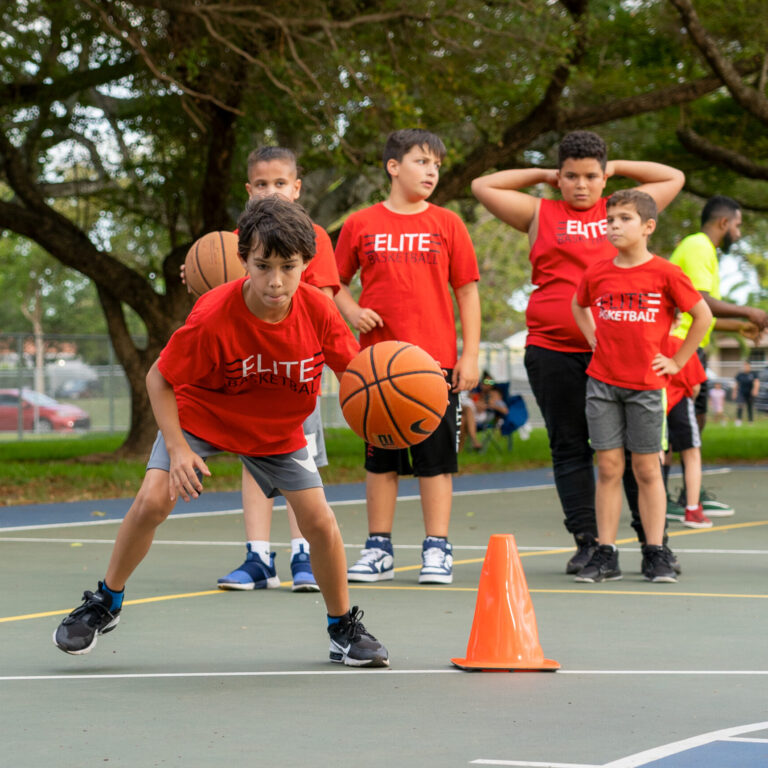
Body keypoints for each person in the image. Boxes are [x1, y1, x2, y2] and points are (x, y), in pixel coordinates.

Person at [53, 197, 389, 668]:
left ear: (306, 264)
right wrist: (176, 447)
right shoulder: (214, 315)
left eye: (288, 267)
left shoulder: (318, 311)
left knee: (321, 524)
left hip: (276, 430)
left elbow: (358, 375)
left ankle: (341, 629)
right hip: (203, 416)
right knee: (152, 500)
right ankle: (106, 601)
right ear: (243, 261)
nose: (275, 281)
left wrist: (387, 408)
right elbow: (158, 378)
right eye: (262, 265)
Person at [471, 130, 685, 574]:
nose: (581, 184)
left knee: (635, 453)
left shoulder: (624, 211)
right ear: (559, 177)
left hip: (620, 356)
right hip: (553, 349)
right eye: (571, 176)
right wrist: (543, 176)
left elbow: (674, 176)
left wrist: (617, 169)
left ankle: (653, 542)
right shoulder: (540, 211)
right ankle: (590, 543)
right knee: (570, 447)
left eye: (591, 175)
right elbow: (482, 186)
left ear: (604, 178)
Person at [189, 146, 341, 593]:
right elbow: (220, 297)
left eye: (280, 183)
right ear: (248, 190)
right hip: (248, 371)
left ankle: (303, 555)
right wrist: (199, 277)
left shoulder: (314, 236)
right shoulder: (235, 242)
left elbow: (325, 305)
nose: (270, 190)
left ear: (297, 188)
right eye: (261, 184)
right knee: (251, 460)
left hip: (295, 373)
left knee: (299, 464)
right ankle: (258, 557)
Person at [334, 128, 481, 585]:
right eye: (421, 161)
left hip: (434, 365)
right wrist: (353, 310)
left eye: (436, 164)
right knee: (381, 462)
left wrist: (470, 355)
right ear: (393, 166)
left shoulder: (448, 223)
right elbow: (332, 282)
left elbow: (467, 291)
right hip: (378, 370)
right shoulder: (360, 224)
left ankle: (437, 548)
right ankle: (378, 548)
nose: (432, 170)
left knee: (435, 464)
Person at [571, 189, 712, 582]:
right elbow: (578, 305)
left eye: (624, 219)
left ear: (648, 226)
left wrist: (678, 361)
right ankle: (606, 552)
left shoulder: (665, 273)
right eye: (610, 218)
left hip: (647, 386)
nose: (613, 224)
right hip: (602, 384)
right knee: (609, 467)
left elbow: (701, 314)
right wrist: (592, 338)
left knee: (648, 469)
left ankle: (655, 551)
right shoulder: (598, 272)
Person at [670, 195, 767, 512]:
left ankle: (689, 494)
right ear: (723, 223)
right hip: (678, 346)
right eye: (737, 226)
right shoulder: (699, 246)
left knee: (694, 424)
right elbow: (700, 299)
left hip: (690, 346)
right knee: (679, 425)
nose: (738, 234)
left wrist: (740, 326)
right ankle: (661, 494)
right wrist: (748, 311)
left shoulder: (705, 250)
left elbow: (702, 313)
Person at [661, 316, 712, 528]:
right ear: (675, 320)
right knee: (691, 454)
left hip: (653, 403)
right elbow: (697, 384)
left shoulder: (650, 347)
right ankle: (692, 509)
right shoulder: (680, 345)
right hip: (680, 404)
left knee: (658, 455)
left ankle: (658, 506)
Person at [460, 373, 509, 452]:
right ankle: (459, 451)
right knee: (462, 419)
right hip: (473, 414)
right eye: (486, 382)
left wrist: (490, 405)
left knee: (468, 409)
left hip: (486, 416)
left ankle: (473, 440)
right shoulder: (476, 392)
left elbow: (505, 410)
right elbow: (471, 398)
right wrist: (478, 403)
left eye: (491, 382)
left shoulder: (495, 394)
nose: (489, 384)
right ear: (481, 382)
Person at [734, 360, 759, 424]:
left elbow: (756, 382)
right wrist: (734, 392)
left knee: (749, 407)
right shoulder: (740, 374)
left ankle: (750, 421)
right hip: (741, 392)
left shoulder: (753, 374)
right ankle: (739, 420)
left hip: (750, 393)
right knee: (740, 405)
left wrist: (755, 390)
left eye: (747, 365)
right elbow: (736, 384)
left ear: (749, 366)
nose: (745, 367)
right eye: (744, 365)